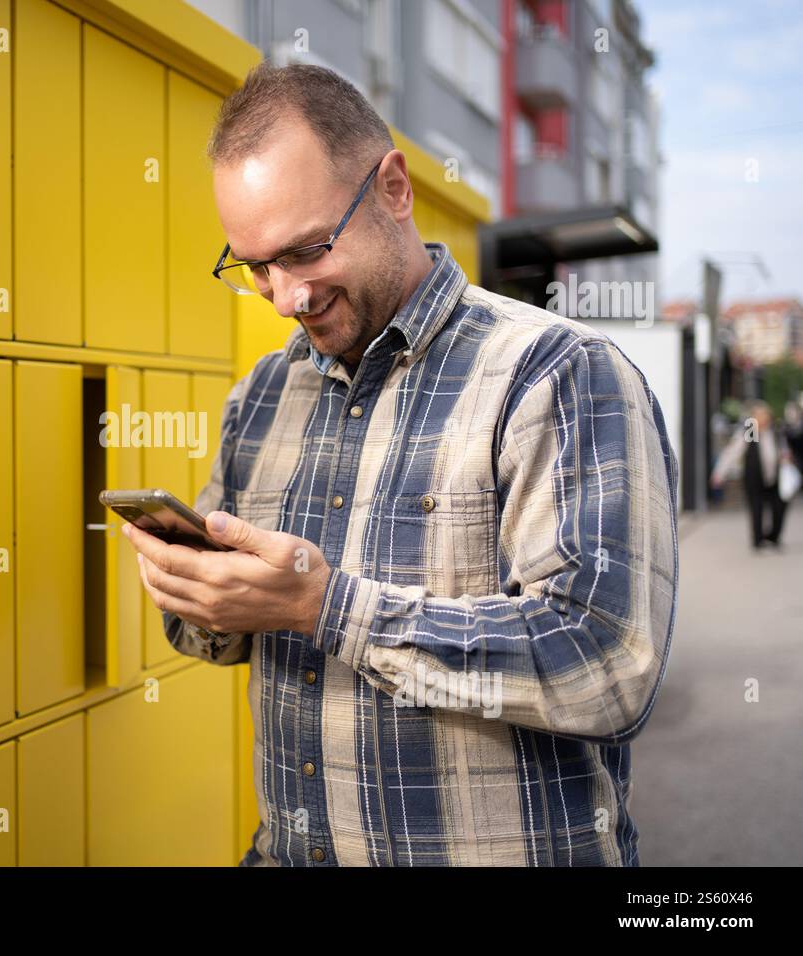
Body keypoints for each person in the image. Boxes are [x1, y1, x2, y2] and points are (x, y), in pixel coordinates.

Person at [120, 62, 678, 866]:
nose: (285, 297)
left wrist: (324, 607)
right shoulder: (262, 395)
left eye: (306, 249)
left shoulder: (558, 373)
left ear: (393, 189)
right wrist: (199, 594)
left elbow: (608, 664)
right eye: (254, 267)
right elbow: (220, 640)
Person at [711, 400, 789, 548]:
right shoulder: (751, 432)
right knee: (756, 509)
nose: (761, 419)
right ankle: (758, 541)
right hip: (755, 478)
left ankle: (773, 537)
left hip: (775, 478)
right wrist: (719, 473)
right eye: (757, 416)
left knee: (779, 507)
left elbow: (783, 450)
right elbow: (733, 452)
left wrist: (785, 458)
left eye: (763, 415)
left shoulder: (775, 431)